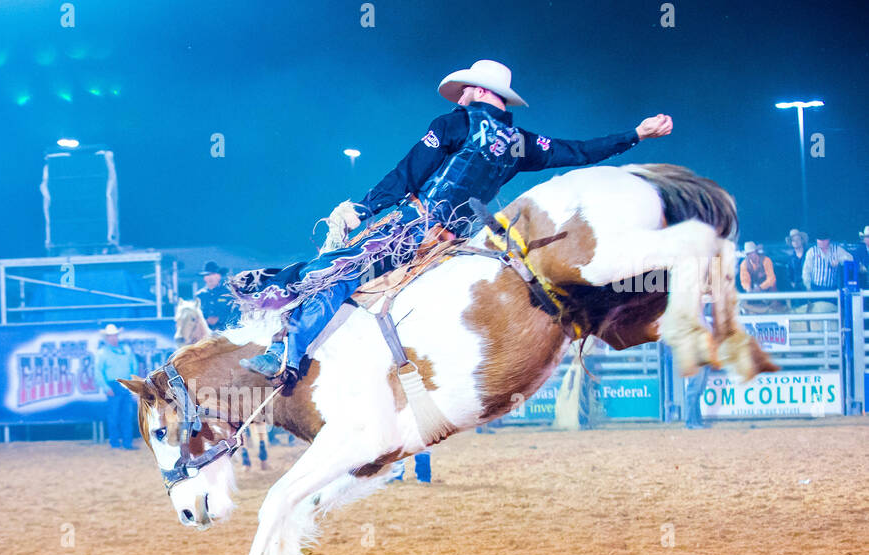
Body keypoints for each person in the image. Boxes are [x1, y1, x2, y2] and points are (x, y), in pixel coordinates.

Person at [235, 59, 674, 384]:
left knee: (338, 271)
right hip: (459, 242)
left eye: (465, 89)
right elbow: (579, 152)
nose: (459, 95)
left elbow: (408, 172)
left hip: (413, 230)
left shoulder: (453, 124)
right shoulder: (521, 143)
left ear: (479, 92)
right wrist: (635, 135)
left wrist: (363, 209)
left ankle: (288, 354)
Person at [94, 324, 139, 449]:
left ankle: (127, 442)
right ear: (106, 338)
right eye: (110, 336)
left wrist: (132, 383)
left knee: (127, 415)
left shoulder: (126, 349)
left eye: (114, 335)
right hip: (113, 386)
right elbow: (98, 372)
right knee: (114, 415)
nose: (113, 338)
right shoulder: (102, 353)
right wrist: (106, 388)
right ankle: (114, 441)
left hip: (125, 384)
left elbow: (133, 366)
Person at [800, 232, 852, 314]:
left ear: (828, 240)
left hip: (832, 288)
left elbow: (850, 258)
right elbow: (806, 270)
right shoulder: (812, 251)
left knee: (832, 310)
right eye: (819, 240)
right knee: (816, 311)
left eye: (823, 240)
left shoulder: (836, 250)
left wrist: (840, 261)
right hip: (816, 288)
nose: (821, 242)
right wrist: (808, 286)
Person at [195, 261, 240, 330]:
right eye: (207, 275)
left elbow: (237, 313)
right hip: (205, 331)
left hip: (227, 332)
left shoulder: (229, 293)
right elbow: (195, 314)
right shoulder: (200, 295)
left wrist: (220, 319)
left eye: (213, 274)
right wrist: (205, 321)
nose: (210, 278)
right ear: (204, 278)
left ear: (219, 276)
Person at [738, 240, 779, 313]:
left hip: (769, 291)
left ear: (756, 251)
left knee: (775, 307)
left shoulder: (766, 260)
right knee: (744, 305)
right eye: (748, 254)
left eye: (752, 252)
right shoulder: (744, 264)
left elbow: (771, 278)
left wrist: (760, 287)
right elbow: (744, 280)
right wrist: (748, 288)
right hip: (754, 292)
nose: (750, 255)